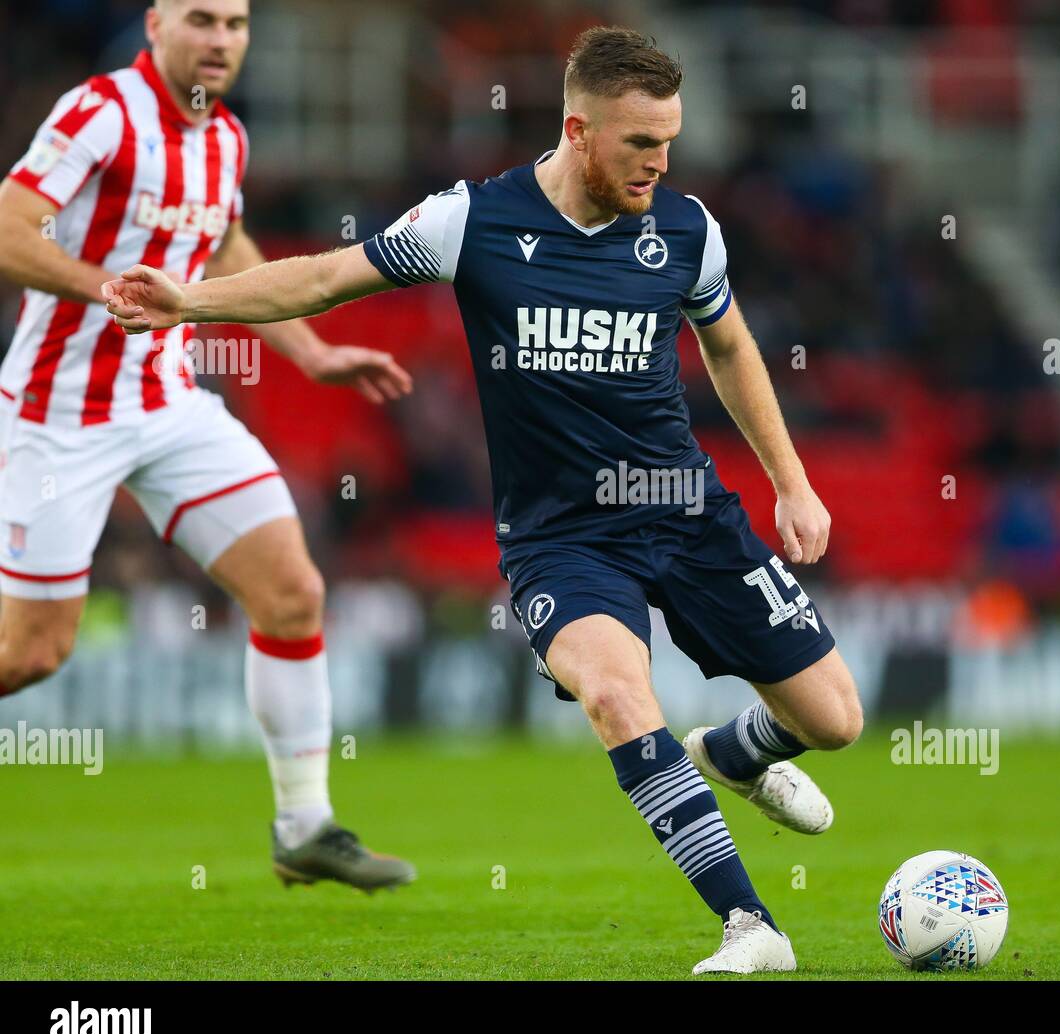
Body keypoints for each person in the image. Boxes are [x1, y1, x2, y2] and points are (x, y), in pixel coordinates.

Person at [103, 25, 863, 972]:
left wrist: (792, 483)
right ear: (579, 131)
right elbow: (326, 277)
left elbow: (732, 346)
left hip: (686, 510)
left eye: (668, 142)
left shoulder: (686, 228)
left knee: (835, 721)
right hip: (563, 540)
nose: (659, 164)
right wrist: (189, 301)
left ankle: (739, 752)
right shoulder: (474, 222)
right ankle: (754, 928)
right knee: (622, 698)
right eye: (639, 145)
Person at [0, 0, 416, 892]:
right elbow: (7, 226)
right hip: (56, 410)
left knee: (294, 592)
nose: (221, 40)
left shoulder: (226, 136)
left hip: (170, 402)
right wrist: (106, 288)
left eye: (236, 23)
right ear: (155, 25)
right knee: (31, 652)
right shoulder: (99, 112)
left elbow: (222, 242)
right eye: (202, 19)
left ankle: (305, 826)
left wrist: (312, 350)